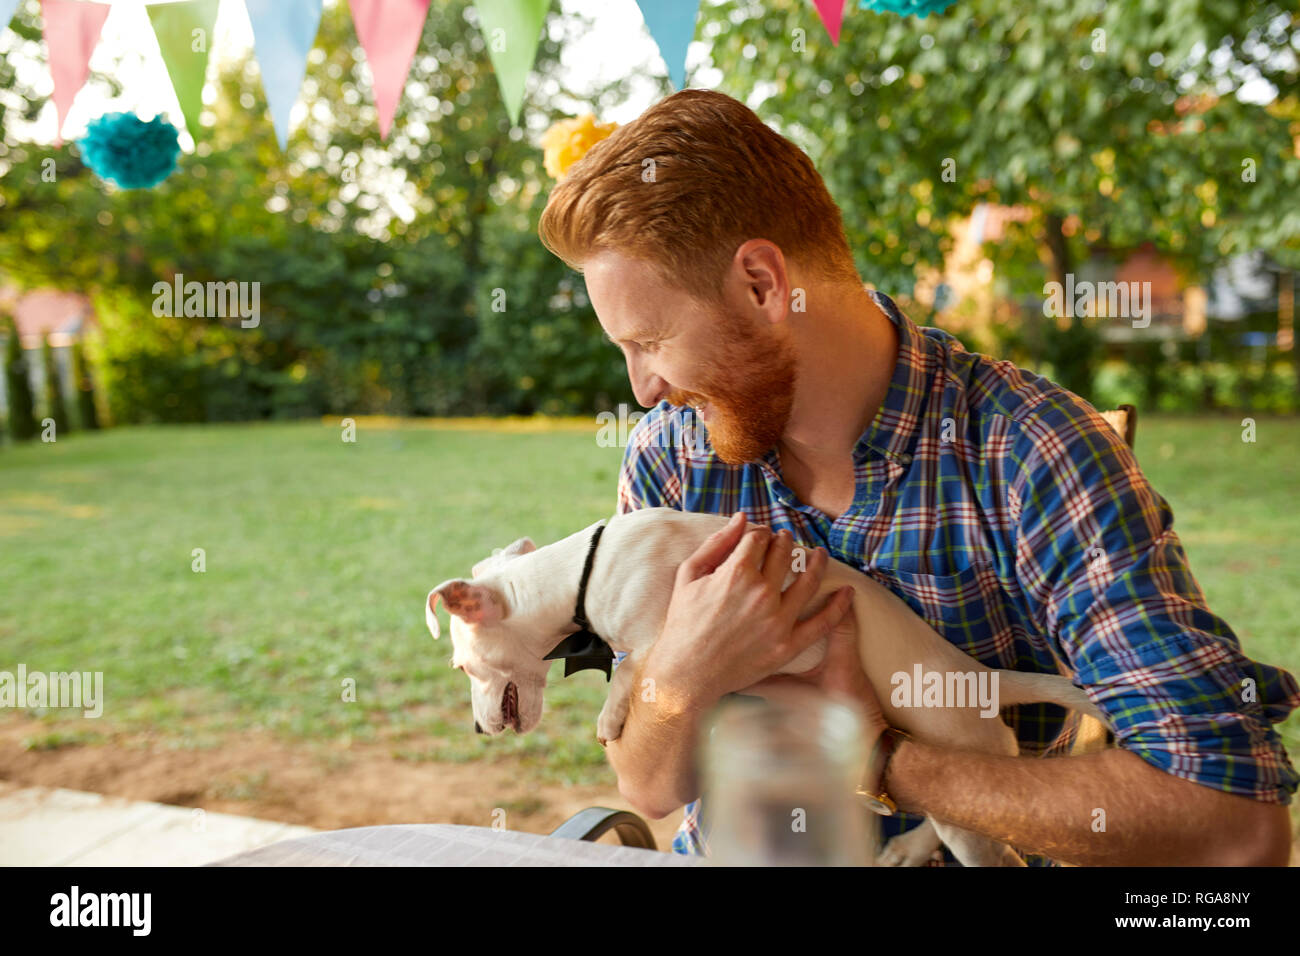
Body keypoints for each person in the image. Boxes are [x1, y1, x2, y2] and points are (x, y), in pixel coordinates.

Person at [537, 88, 1299, 865]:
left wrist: (879, 756)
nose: (643, 390)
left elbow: (1235, 827)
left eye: (653, 340)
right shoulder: (671, 457)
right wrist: (684, 672)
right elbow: (649, 786)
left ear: (763, 284)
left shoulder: (1030, 452)